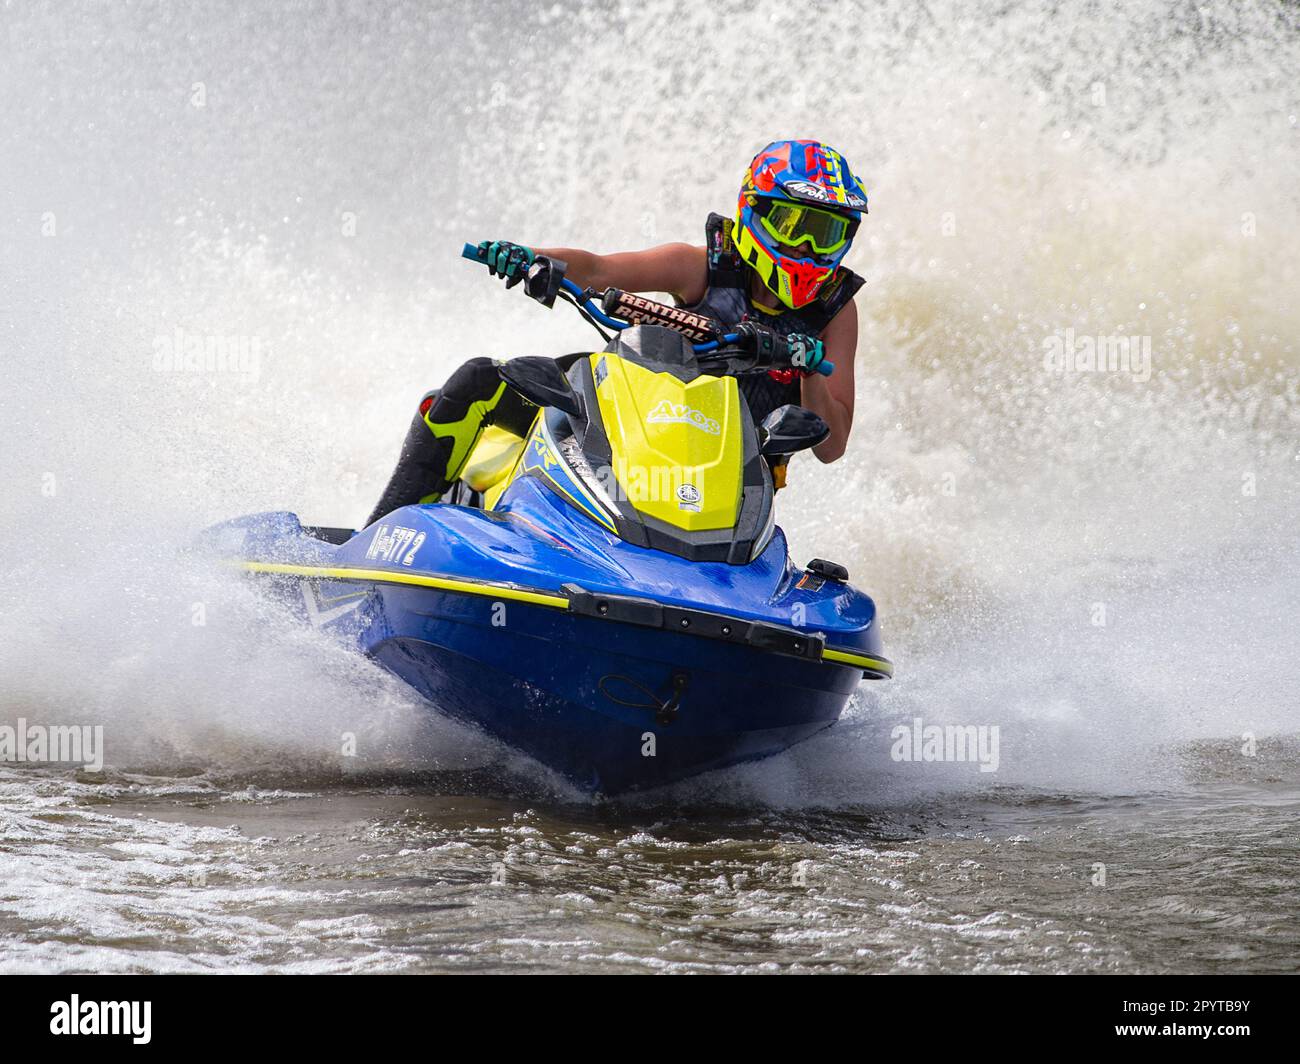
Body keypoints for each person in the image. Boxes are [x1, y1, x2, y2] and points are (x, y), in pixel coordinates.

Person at [367, 138, 868, 526]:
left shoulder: (835, 313)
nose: (805, 246)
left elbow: (832, 446)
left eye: (824, 233)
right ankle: (377, 540)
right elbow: (600, 270)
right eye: (792, 224)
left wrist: (809, 369)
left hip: (729, 490)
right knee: (477, 382)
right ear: (754, 212)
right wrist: (530, 257)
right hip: (636, 444)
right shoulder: (697, 267)